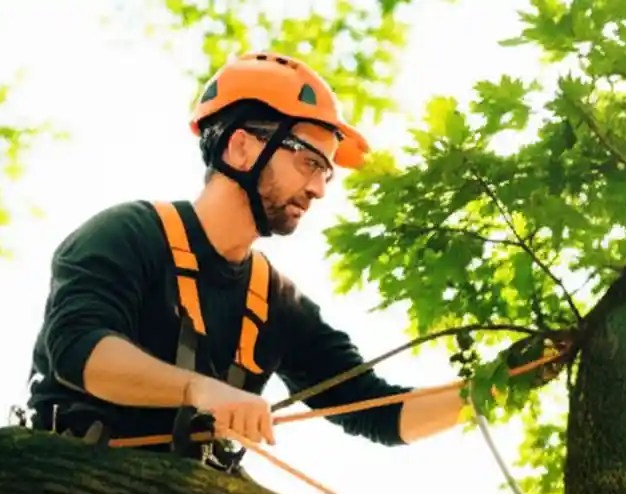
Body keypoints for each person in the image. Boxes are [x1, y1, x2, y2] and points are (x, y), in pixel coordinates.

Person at [24, 51, 472, 468]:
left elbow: (377, 411)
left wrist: (496, 385)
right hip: (72, 479)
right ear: (241, 148)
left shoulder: (277, 303)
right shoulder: (130, 233)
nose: (319, 189)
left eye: (326, 173)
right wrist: (198, 389)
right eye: (309, 162)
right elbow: (77, 347)